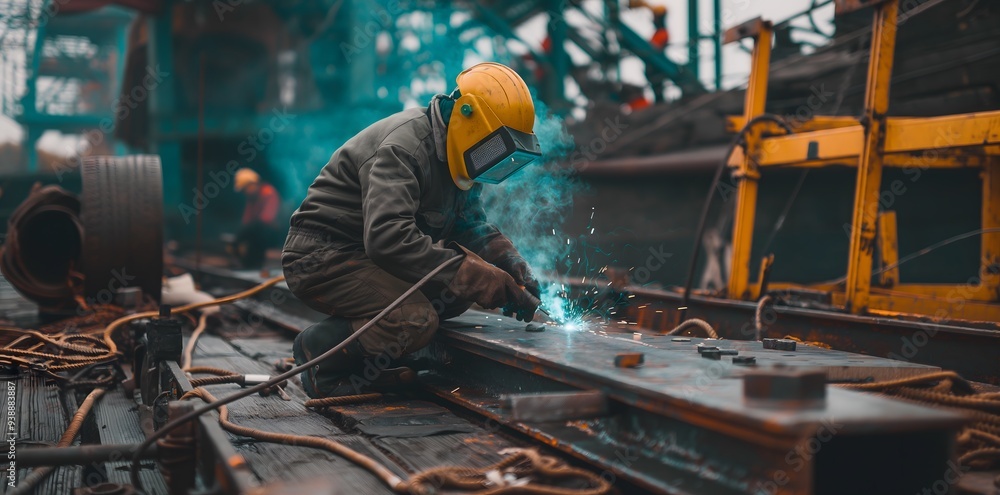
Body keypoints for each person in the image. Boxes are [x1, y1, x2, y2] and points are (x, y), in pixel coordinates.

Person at [282, 62, 544, 399]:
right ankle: (321, 357)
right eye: (494, 146)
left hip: (366, 256)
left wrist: (507, 259)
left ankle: (374, 360)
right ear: (467, 117)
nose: (493, 158)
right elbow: (387, 237)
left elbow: (469, 224)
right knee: (414, 319)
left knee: (454, 296)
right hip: (322, 256)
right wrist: (474, 274)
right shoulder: (404, 148)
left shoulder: (458, 155)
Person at [232, 168, 282, 267]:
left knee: (257, 231)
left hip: (272, 234)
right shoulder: (252, 198)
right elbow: (247, 219)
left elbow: (266, 219)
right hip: (258, 232)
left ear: (252, 184)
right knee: (248, 234)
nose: (245, 192)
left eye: (245, 189)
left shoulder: (268, 192)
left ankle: (256, 264)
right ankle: (248, 264)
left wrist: (244, 233)